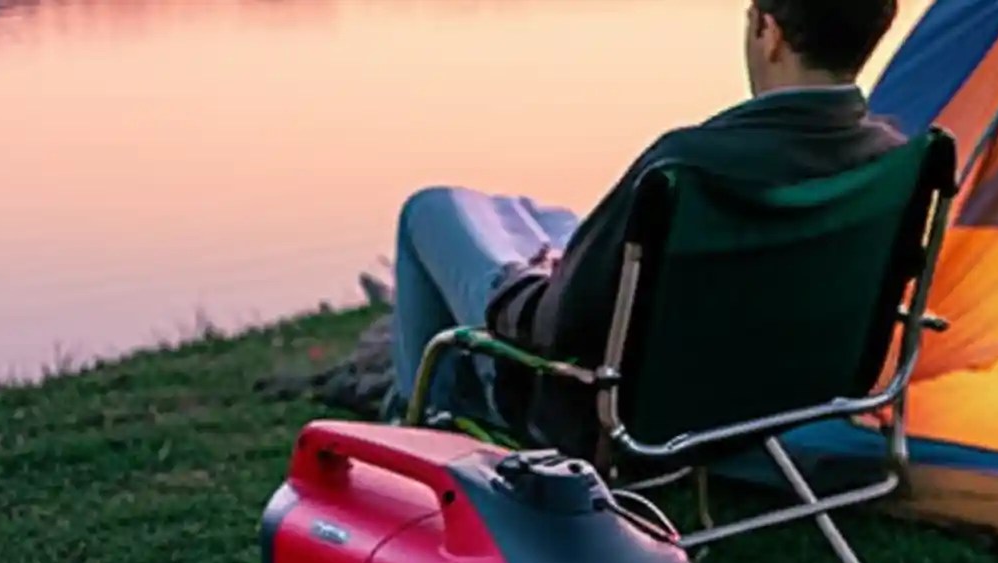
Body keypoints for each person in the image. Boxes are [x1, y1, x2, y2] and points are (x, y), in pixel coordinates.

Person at [386, 0, 906, 459]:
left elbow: (559, 328)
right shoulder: (890, 160)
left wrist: (517, 287)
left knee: (432, 209)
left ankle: (429, 444)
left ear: (768, 34)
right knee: (539, 217)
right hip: (778, 391)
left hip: (602, 411)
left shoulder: (690, 165)